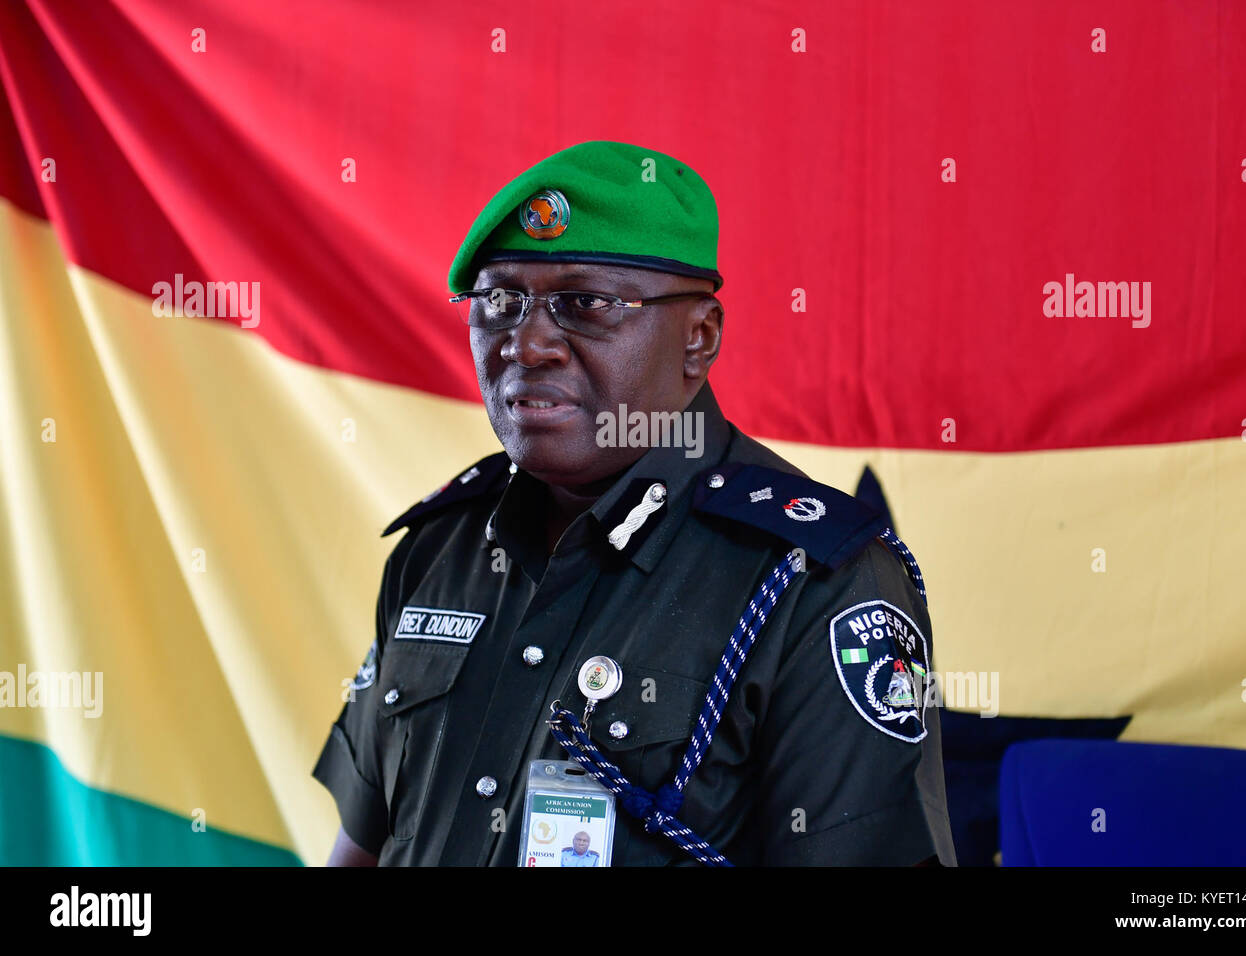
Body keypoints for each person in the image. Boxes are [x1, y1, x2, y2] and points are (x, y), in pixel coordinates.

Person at [312, 140, 956, 866]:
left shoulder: (818, 584)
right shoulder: (442, 547)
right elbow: (362, 847)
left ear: (698, 338)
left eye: (585, 305)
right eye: (499, 301)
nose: (526, 345)